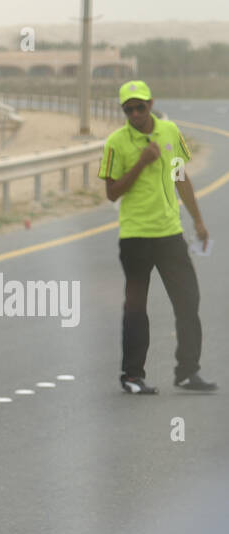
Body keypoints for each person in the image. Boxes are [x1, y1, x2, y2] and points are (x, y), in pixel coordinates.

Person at [99, 79, 216, 394]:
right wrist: (141, 162)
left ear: (151, 104)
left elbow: (180, 176)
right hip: (136, 237)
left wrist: (199, 221)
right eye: (129, 109)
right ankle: (132, 376)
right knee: (136, 307)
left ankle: (188, 371)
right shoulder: (116, 143)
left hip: (170, 235)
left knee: (188, 301)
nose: (135, 114)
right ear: (123, 111)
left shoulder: (169, 132)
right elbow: (111, 193)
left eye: (140, 106)